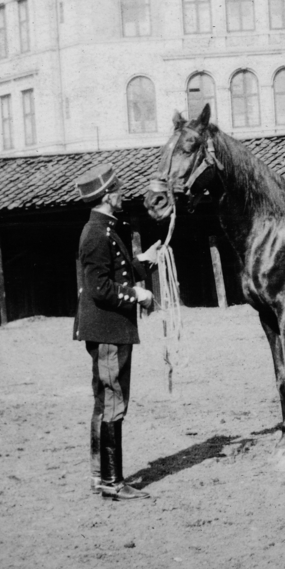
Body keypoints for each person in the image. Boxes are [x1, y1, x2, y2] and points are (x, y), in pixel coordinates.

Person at [73, 163, 161, 501]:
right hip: (110, 330)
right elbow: (101, 289)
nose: (123, 192)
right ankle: (111, 482)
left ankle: (101, 478)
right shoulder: (96, 233)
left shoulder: (103, 229)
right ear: (108, 196)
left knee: (104, 402)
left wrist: (147, 260)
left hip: (111, 329)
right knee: (112, 403)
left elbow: (119, 270)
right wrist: (140, 294)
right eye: (119, 188)